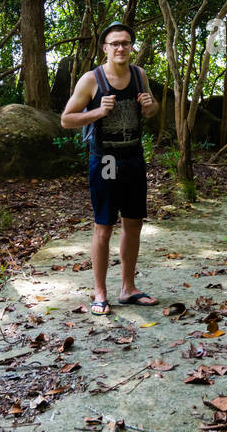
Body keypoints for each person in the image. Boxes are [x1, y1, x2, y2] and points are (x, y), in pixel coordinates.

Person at [60, 21, 160, 315]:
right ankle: (100, 293)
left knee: (134, 222)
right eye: (115, 43)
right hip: (105, 159)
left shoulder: (140, 75)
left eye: (125, 43)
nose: (120, 48)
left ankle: (128, 289)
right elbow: (66, 119)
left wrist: (149, 105)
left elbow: (152, 112)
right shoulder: (92, 80)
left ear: (131, 47)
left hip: (133, 156)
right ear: (105, 48)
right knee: (104, 225)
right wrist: (98, 112)